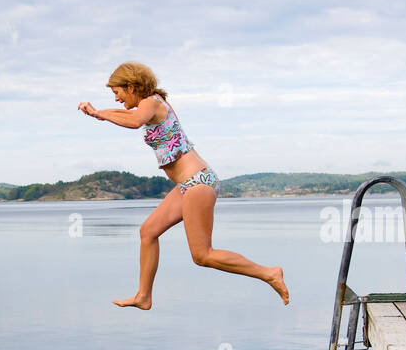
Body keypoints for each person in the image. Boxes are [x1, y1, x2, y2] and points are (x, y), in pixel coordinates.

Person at [78, 62, 290, 309]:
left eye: (117, 91)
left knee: (202, 255)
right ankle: (143, 295)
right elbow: (129, 116)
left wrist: (97, 113)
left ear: (132, 86)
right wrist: (99, 114)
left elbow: (134, 121)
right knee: (148, 232)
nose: (116, 97)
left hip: (198, 182)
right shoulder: (149, 105)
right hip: (187, 186)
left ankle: (269, 273)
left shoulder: (151, 102)